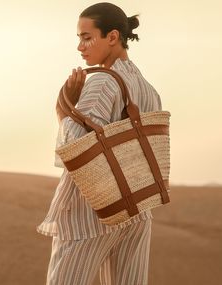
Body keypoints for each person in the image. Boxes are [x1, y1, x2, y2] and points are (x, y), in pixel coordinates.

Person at [37, 2, 162, 284]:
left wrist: (65, 107)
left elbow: (77, 148)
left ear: (113, 37)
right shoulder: (147, 88)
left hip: (92, 214)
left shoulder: (101, 81)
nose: (80, 47)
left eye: (86, 37)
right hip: (136, 210)